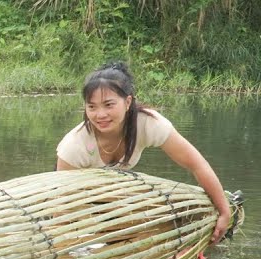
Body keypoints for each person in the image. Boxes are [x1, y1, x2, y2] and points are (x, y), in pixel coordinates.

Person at [56, 61, 231, 244]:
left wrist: (224, 211)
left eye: (109, 105)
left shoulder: (148, 123)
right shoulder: (74, 146)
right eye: (92, 107)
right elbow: (61, 207)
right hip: (79, 197)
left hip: (113, 195)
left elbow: (196, 165)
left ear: (128, 101)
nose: (100, 115)